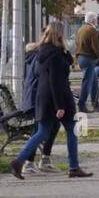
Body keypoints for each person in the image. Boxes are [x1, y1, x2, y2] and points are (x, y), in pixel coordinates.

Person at [10, 24, 93, 179]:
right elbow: (55, 80)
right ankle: (73, 167)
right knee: (71, 131)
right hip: (59, 98)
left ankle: (19, 161)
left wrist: (66, 52)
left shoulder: (43, 52)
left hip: (44, 98)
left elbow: (65, 64)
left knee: (43, 132)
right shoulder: (55, 54)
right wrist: (59, 106)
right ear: (60, 35)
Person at [20, 42, 59, 175]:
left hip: (36, 99)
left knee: (53, 126)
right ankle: (27, 162)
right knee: (40, 130)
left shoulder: (34, 59)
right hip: (38, 100)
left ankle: (43, 159)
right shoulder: (38, 60)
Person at [75, 13, 99, 113]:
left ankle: (95, 103)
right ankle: (82, 104)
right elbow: (96, 47)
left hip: (81, 57)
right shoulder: (92, 30)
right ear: (93, 20)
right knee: (87, 82)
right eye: (97, 19)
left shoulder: (81, 29)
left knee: (94, 81)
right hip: (88, 58)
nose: (98, 21)